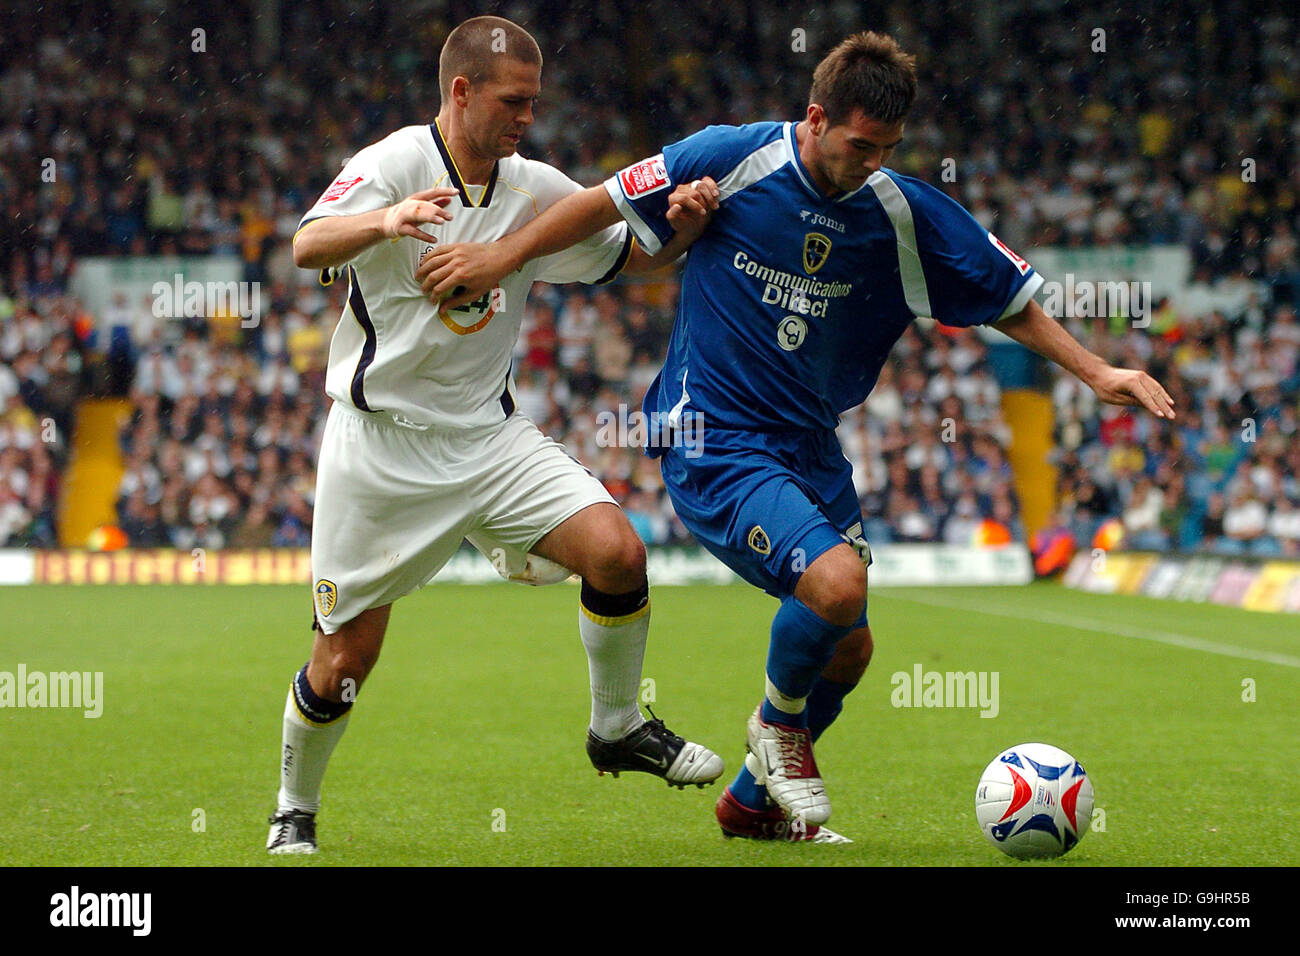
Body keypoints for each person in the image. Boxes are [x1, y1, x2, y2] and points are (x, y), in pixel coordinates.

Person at [417, 30, 1175, 843]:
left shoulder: (902, 211)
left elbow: (1005, 298)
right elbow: (600, 203)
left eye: (888, 148)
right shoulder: (731, 158)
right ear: (815, 118)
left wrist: (1097, 372)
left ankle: (748, 804)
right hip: (710, 435)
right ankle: (778, 729)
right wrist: (500, 257)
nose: (871, 162)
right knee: (837, 586)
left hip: (810, 448)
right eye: (859, 144)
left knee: (849, 649)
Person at [267, 16, 722, 855]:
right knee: (344, 664)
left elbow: (631, 258)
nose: (527, 118)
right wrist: (386, 220)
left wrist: (688, 221)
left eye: (536, 103)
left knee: (618, 551)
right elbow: (304, 244)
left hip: (487, 439)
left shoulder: (535, 186)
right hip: (380, 447)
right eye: (513, 101)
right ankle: (294, 806)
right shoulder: (392, 163)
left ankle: (616, 727)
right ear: (462, 90)